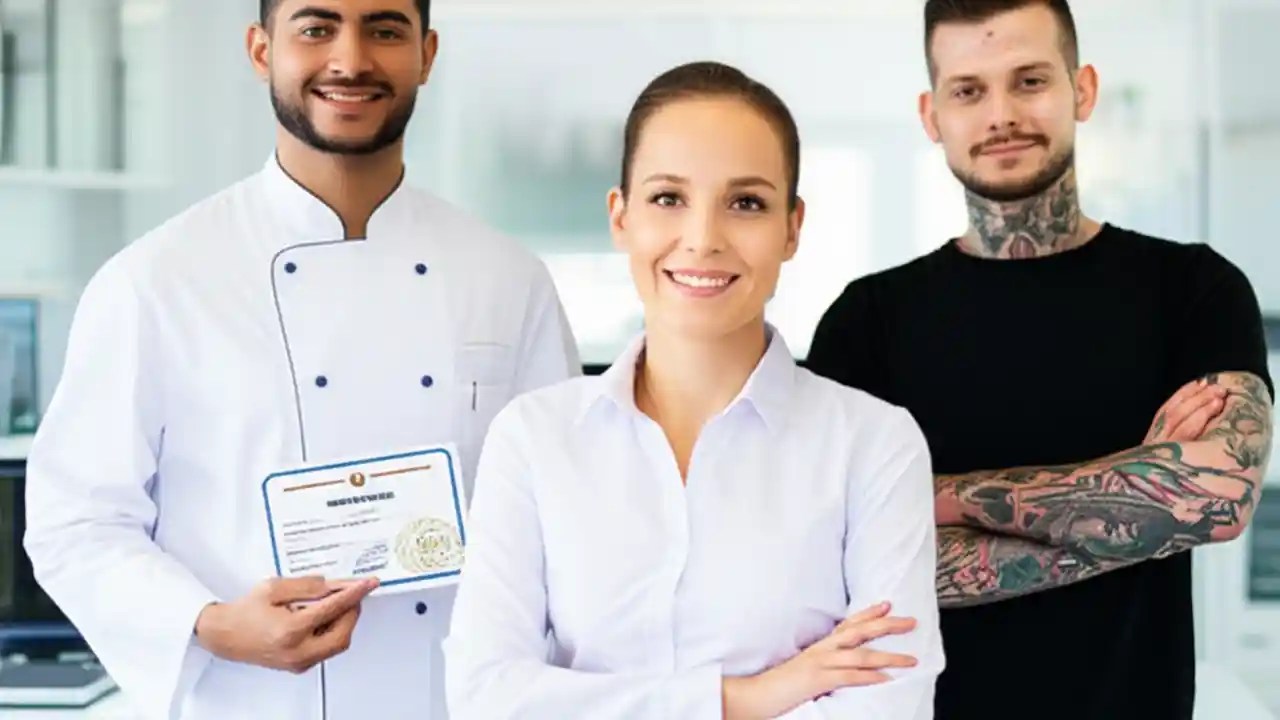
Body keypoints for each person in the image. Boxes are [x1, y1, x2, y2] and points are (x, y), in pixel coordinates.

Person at [22, 1, 580, 718]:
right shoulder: (156, 282)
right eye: (316, 29)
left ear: (427, 54)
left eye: (384, 30)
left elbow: (566, 517)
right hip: (253, 703)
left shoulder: (508, 278)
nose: (350, 61)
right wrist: (211, 624)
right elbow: (77, 522)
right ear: (262, 51)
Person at [805, 1, 1274, 719]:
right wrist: (1137, 508)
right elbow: (851, 568)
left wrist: (937, 499)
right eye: (969, 90)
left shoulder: (1193, 288)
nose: (1001, 114)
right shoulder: (867, 320)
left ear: (1081, 89)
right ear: (932, 115)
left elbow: (1216, 499)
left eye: (1029, 81)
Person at [442, 60, 945, 720]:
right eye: (668, 198)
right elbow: (486, 698)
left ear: (792, 228)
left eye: (746, 203)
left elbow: (886, 710)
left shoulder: (875, 444)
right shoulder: (535, 438)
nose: (703, 239)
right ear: (620, 216)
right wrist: (744, 699)